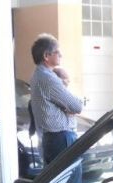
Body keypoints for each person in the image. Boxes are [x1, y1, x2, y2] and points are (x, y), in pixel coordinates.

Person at [29, 34, 83, 168]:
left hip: (52, 140)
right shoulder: (48, 78)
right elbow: (76, 106)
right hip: (61, 139)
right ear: (46, 56)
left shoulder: (38, 75)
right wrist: (68, 108)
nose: (61, 55)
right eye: (57, 52)